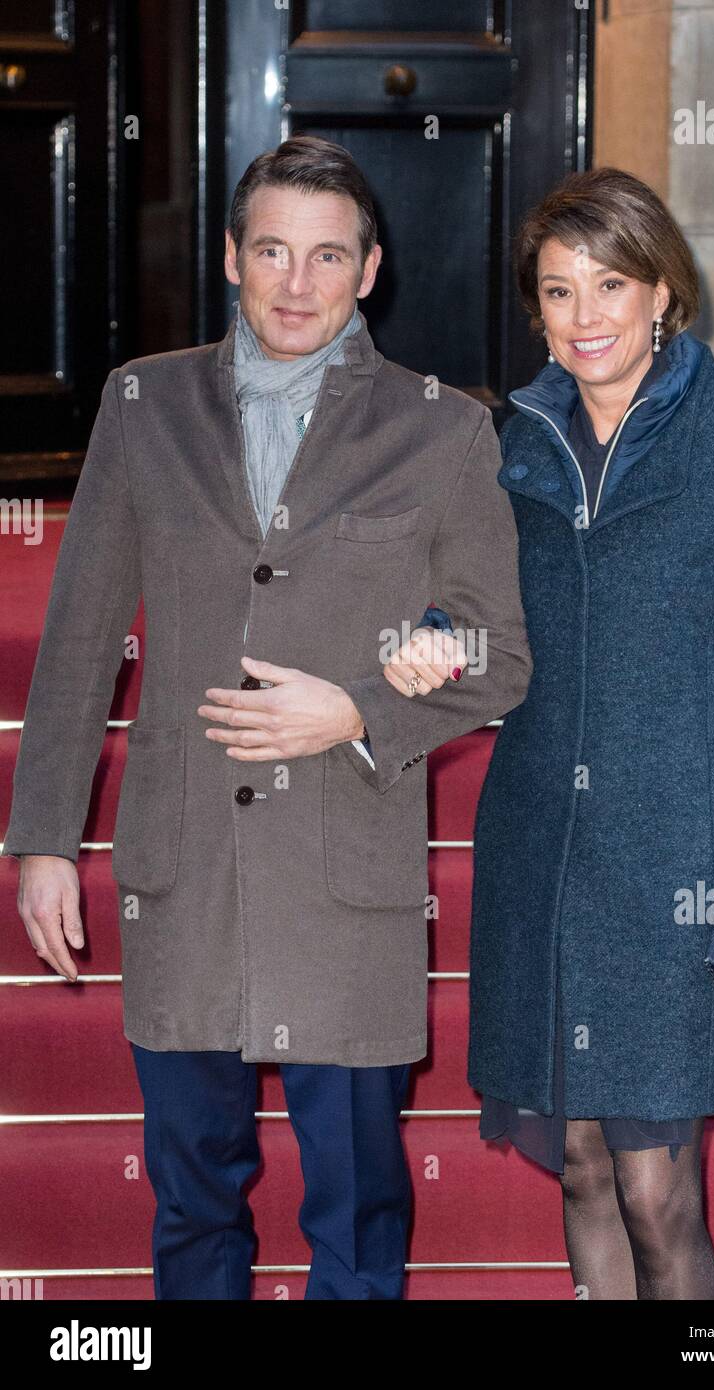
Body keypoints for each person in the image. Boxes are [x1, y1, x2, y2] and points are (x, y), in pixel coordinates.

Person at [3, 136, 532, 1300]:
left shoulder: (441, 430)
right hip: (181, 864)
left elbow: (496, 653)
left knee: (354, 1200)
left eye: (327, 255)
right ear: (234, 258)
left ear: (370, 268)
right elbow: (83, 638)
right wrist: (44, 840)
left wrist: (353, 707)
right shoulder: (143, 401)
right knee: (195, 1192)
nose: (298, 283)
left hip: (345, 877)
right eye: (274, 252)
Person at [381, 167, 714, 1300]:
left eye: (610, 285)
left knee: (657, 1187)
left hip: (681, 870)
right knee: (583, 1168)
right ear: (534, 309)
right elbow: (480, 610)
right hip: (543, 854)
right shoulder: (508, 445)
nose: (585, 317)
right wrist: (432, 636)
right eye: (557, 292)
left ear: (660, 294)